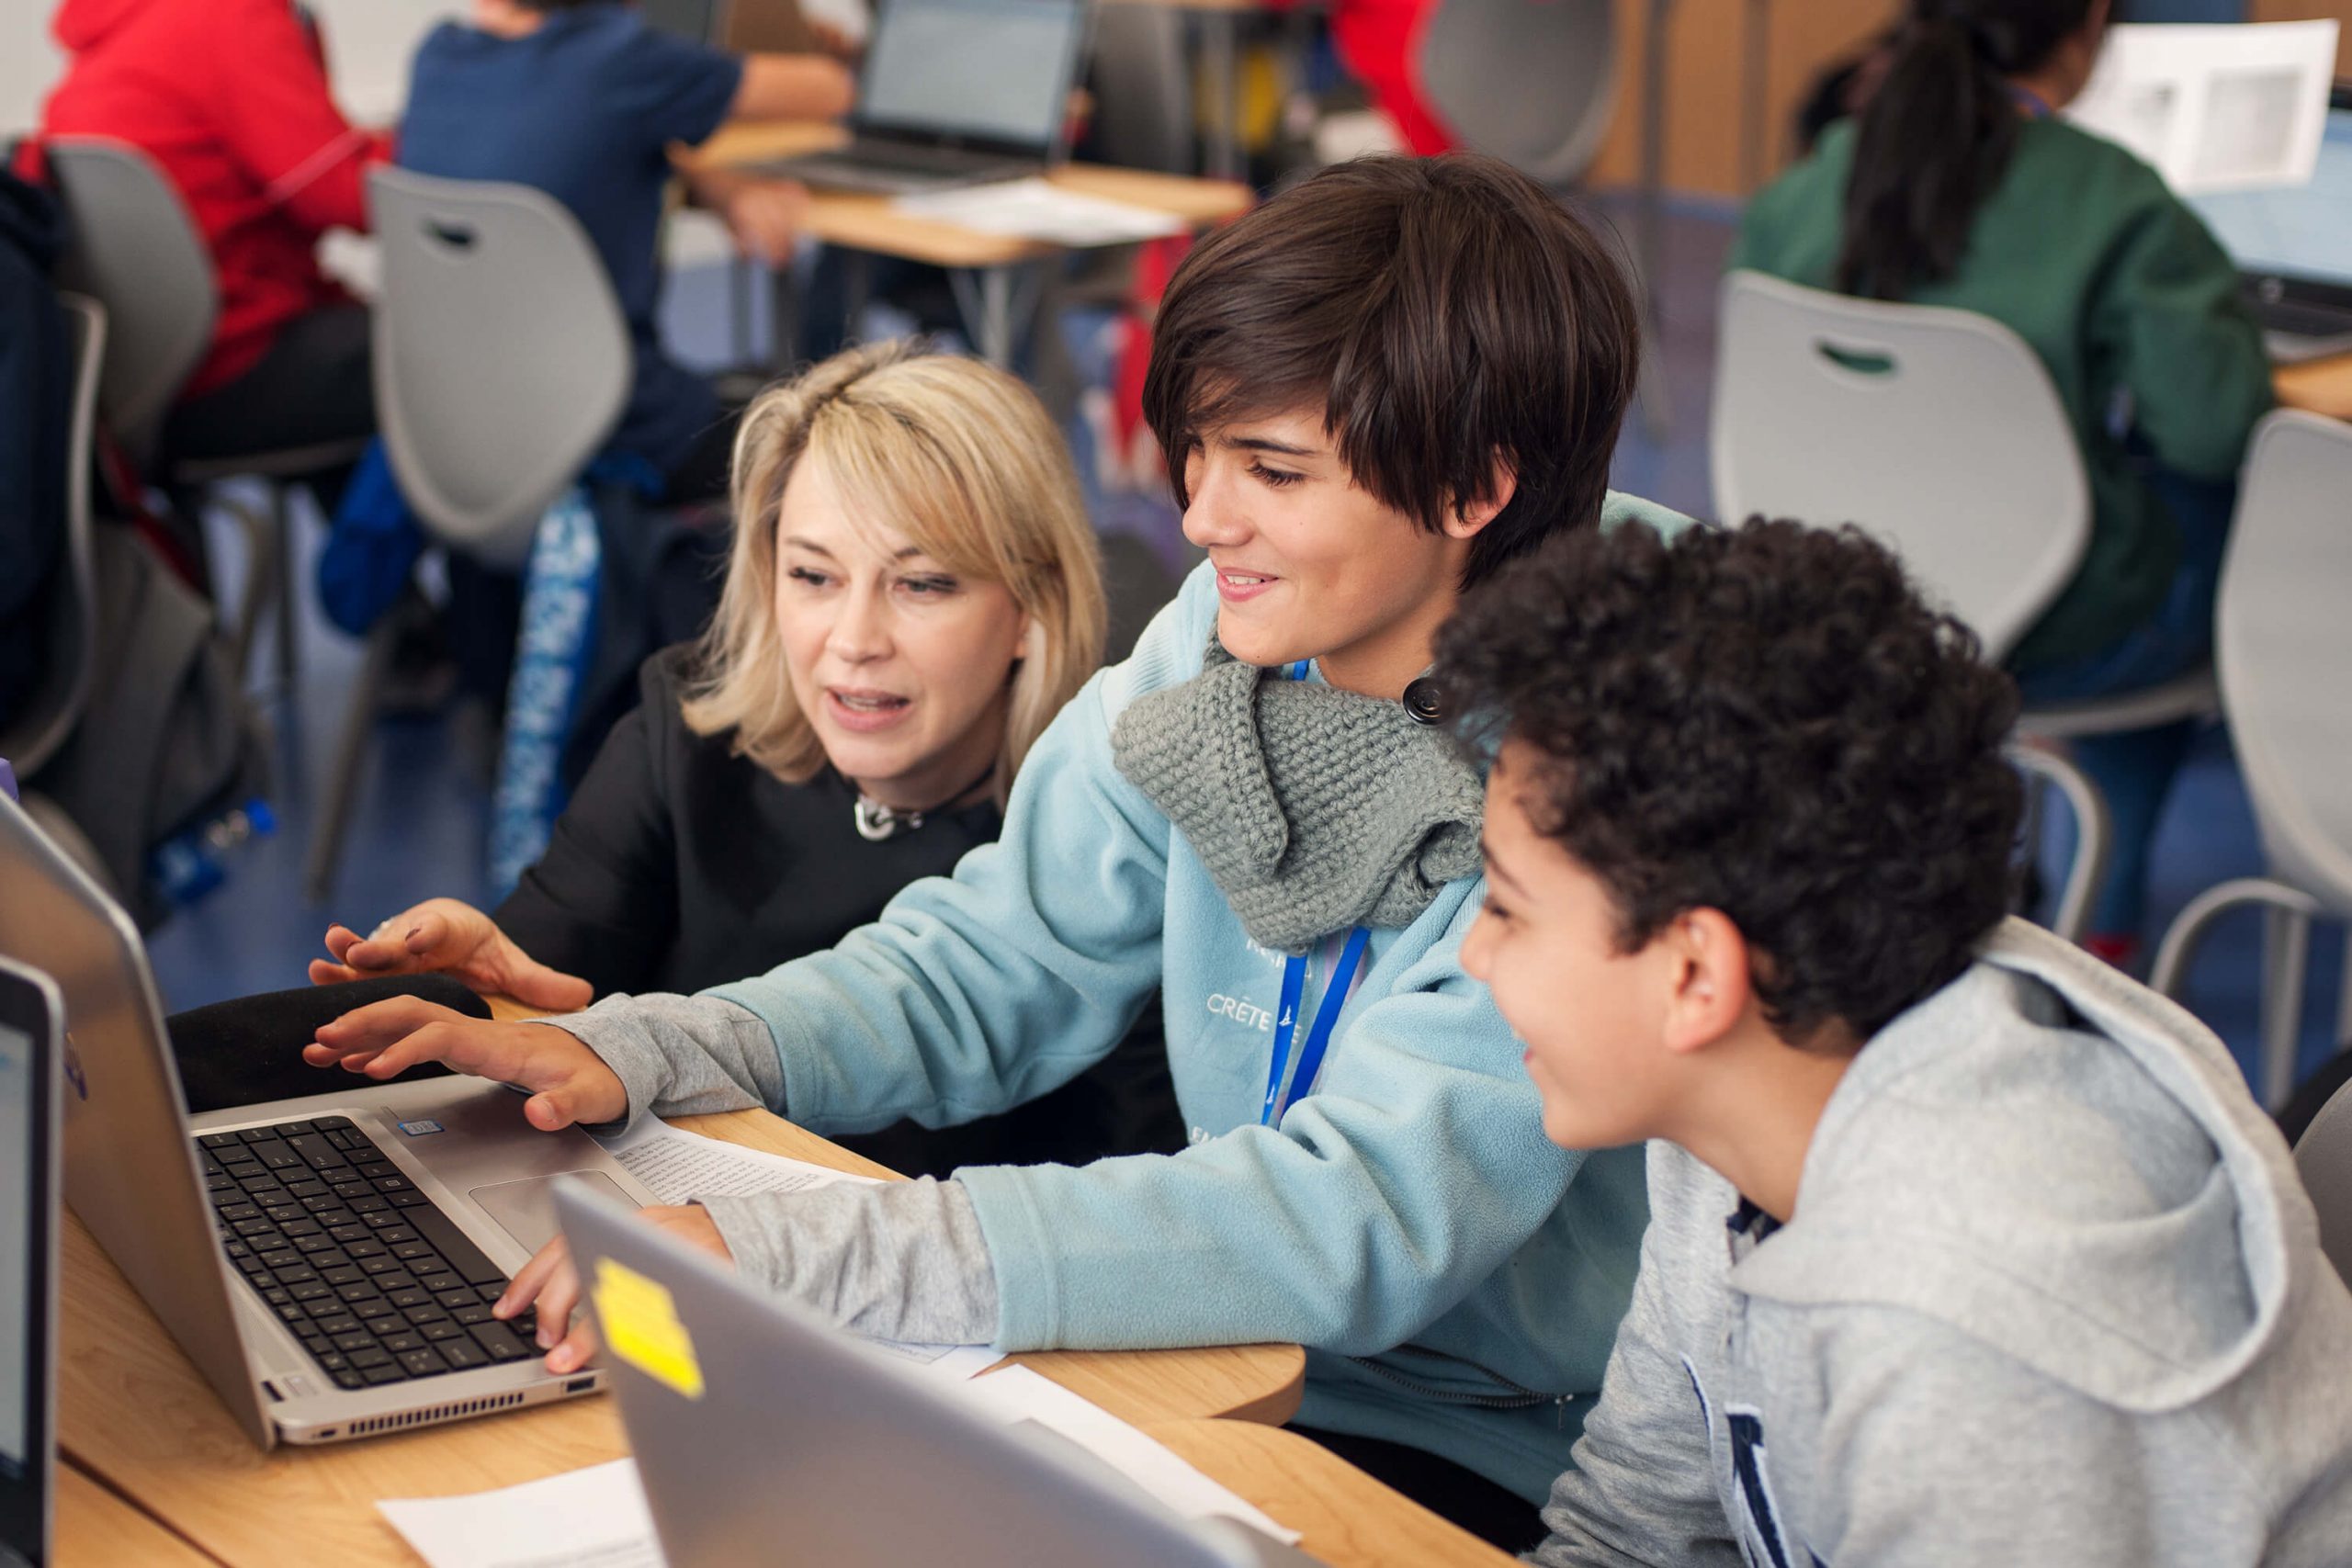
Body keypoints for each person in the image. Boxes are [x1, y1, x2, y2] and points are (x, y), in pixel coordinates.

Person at [304, 152, 1674, 1550]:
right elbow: (989, 960)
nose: (1202, 517)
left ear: (1473, 490)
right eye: (1199, 452)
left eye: (1272, 470)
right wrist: (654, 1044)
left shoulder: (1616, 744)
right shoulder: (1225, 634)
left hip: (1482, 1445)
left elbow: (1355, 1217)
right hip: (1199, 1359)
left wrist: (801, 1255)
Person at [1439, 517, 2352, 1566]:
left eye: (1506, 908)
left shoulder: (1975, 1330)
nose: (1474, 953)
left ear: (1694, 974)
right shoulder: (1740, 1106)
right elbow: (1635, 1526)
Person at [304, 340, 1177, 1177]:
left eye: (922, 583)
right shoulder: (684, 735)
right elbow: (547, 985)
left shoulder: (1107, 838)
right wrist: (490, 984)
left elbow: (1142, 1177)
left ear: (1031, 609)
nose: (853, 640)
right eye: (813, 576)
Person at [1730, 0, 2276, 969]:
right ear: (2090, 22)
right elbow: (2213, 426)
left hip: (1842, 611)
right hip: (2058, 636)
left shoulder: (1816, 179)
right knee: (2196, 508)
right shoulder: (2120, 201)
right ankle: (2101, 926)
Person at [397, 0, 854, 505]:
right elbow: (830, 89)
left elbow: (608, 130)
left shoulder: (438, 56)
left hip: (466, 419)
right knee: (822, 443)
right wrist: (832, 43)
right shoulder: (621, 58)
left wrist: (723, 188)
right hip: (618, 422)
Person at [30, 0, 391, 489]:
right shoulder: (228, 14)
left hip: (145, 385)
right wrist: (451, 142)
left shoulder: (120, 32)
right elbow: (347, 197)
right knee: (459, 358)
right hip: (230, 365)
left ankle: (364, 562)